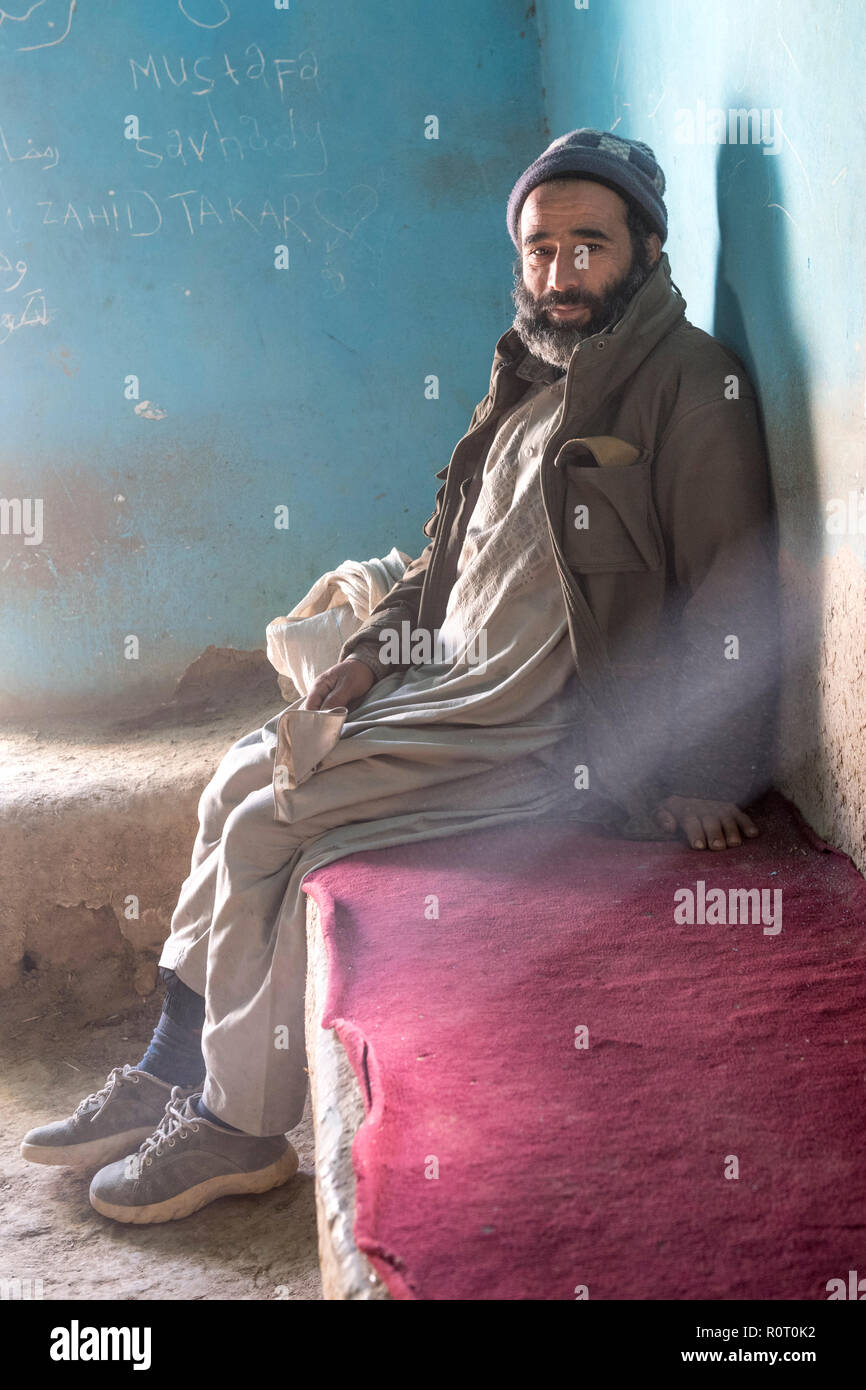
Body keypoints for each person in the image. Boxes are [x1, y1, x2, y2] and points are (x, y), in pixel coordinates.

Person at [21, 129, 778, 1223]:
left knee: (269, 822)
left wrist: (707, 769)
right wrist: (377, 651)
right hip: (446, 690)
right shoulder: (526, 371)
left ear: (647, 247)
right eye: (538, 248)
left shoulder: (689, 384)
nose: (558, 275)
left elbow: (731, 590)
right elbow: (446, 552)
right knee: (238, 771)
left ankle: (238, 1128)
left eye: (587, 247)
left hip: (545, 735)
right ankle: (169, 1067)